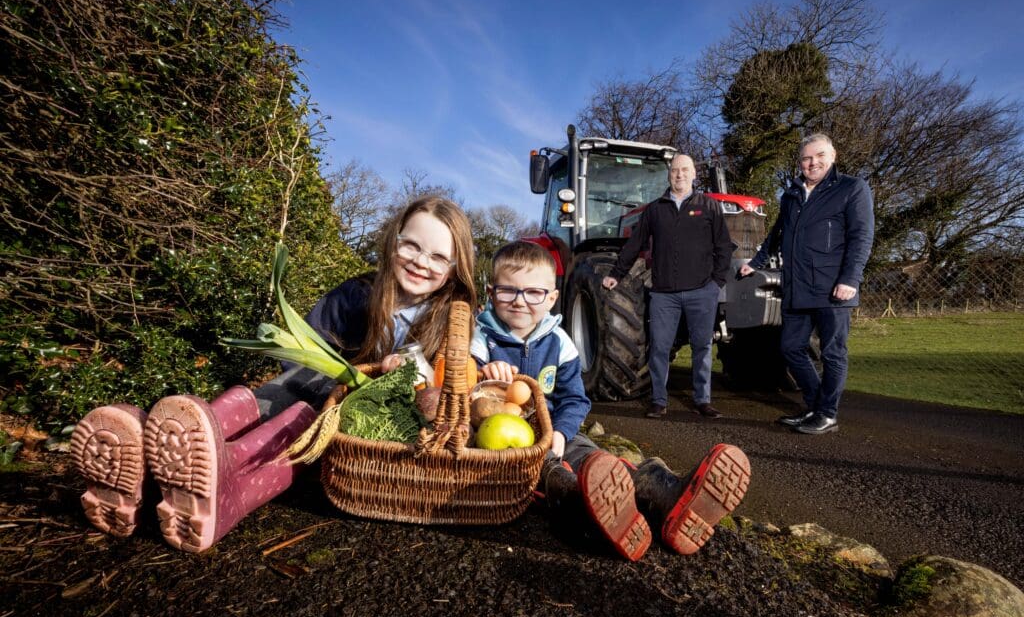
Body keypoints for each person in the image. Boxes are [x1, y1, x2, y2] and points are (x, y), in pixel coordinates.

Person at [70, 196, 477, 551]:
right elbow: (305, 354)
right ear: (394, 241)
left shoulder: (449, 319)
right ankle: (163, 455)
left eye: (439, 257)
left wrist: (401, 377)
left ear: (456, 267)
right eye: (412, 245)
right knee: (281, 393)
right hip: (316, 387)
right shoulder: (357, 294)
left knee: (302, 428)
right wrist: (336, 380)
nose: (421, 262)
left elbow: (443, 390)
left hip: (364, 425)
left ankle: (221, 480)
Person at [471, 241, 751, 561]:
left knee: (597, 461)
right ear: (492, 294)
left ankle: (668, 494)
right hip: (505, 441)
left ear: (551, 298)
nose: (520, 302)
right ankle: (585, 509)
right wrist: (485, 373)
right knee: (547, 471)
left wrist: (561, 433)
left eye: (533, 293)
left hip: (556, 431)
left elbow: (575, 399)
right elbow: (461, 386)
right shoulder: (483, 339)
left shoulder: (560, 343)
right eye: (508, 292)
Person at [739, 134, 874, 434]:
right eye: (806, 158)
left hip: (833, 287)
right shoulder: (791, 194)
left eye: (819, 156)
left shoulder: (852, 188)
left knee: (832, 353)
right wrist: (756, 263)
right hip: (797, 286)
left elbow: (861, 237)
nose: (812, 162)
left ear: (833, 155)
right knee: (790, 348)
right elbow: (777, 234)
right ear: (800, 162)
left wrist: (850, 278)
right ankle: (815, 406)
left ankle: (827, 414)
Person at [601, 154, 733, 419]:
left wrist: (716, 283)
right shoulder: (654, 209)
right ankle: (659, 400)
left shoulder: (708, 206)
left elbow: (723, 246)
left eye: (685, 170)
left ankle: (702, 400)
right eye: (675, 170)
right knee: (660, 347)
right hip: (664, 295)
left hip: (701, 292)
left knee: (702, 347)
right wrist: (617, 273)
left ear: (694, 174)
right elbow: (634, 243)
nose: (679, 174)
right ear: (669, 175)